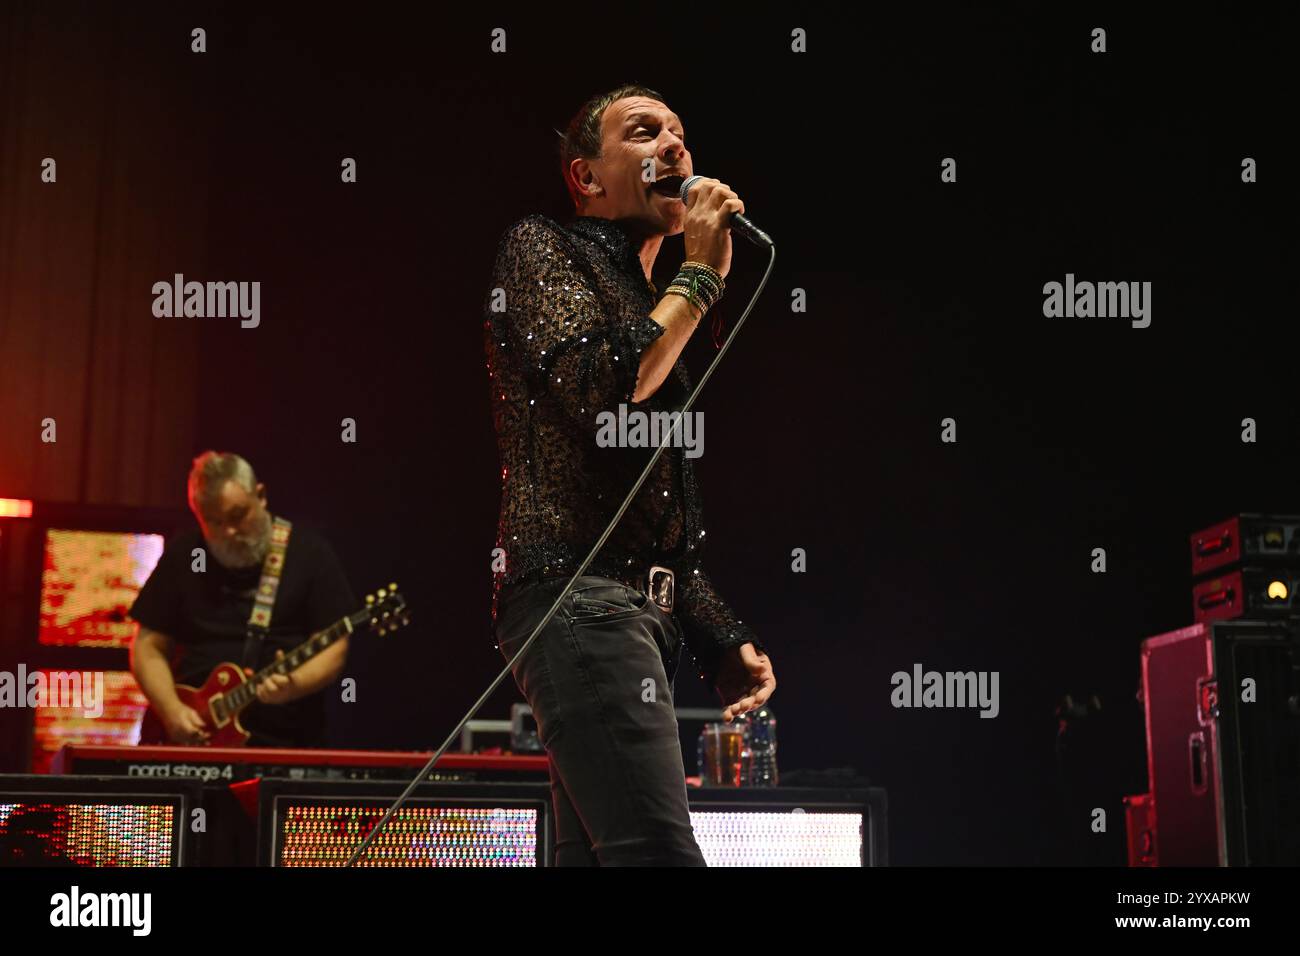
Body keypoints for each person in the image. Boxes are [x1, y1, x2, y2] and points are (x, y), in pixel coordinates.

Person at [483, 84, 776, 866]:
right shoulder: (544, 247)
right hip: (577, 599)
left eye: (682, 133)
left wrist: (718, 634)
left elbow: (651, 502)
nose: (676, 147)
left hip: (625, 606)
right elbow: (604, 385)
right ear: (587, 176)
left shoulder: (656, 305)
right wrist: (702, 277)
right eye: (645, 133)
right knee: (657, 853)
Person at [128, 451, 356, 747]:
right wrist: (172, 711)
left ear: (260, 496)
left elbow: (334, 645)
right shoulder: (186, 555)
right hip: (190, 744)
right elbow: (147, 646)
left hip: (282, 742)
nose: (229, 532)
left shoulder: (309, 553)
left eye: (238, 516)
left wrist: (294, 684)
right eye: (214, 522)